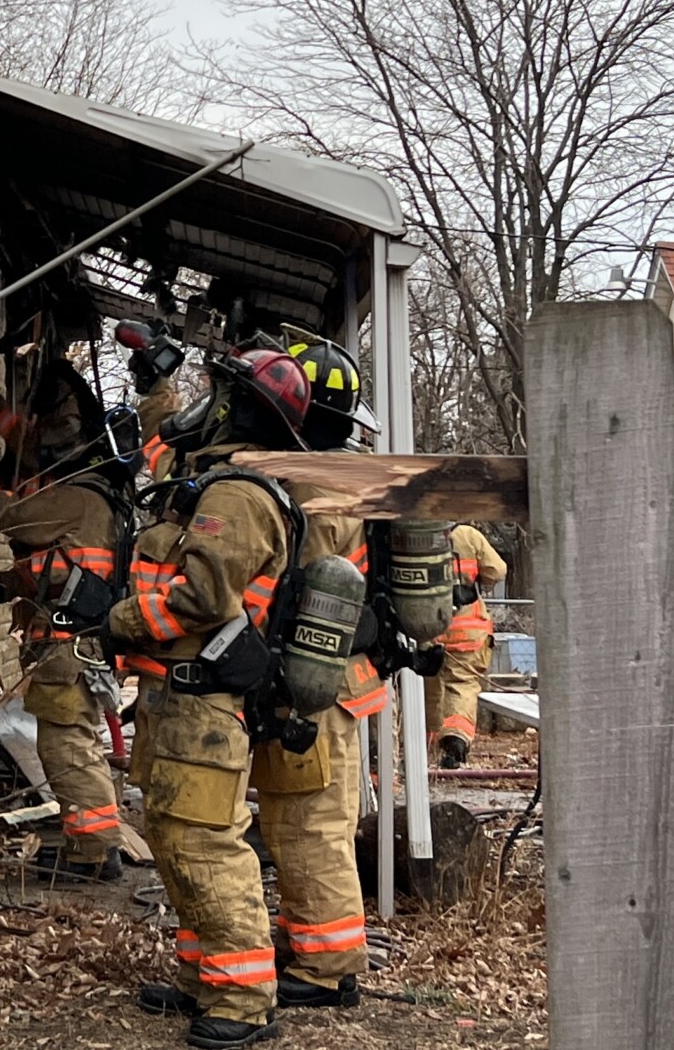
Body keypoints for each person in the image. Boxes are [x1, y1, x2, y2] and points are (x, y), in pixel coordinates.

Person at [98, 345, 318, 1048]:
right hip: (173, 701)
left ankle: (244, 998)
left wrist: (116, 620)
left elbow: (202, 598)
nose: (202, 398)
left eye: (215, 390)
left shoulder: (239, 495)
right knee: (170, 840)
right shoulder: (208, 482)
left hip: (205, 707)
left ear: (237, 406)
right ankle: (203, 980)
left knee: (205, 847)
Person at [243, 334, 383, 1011]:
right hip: (331, 679)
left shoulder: (311, 482)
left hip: (317, 687)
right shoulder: (343, 472)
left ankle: (327, 969)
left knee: (309, 828)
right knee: (299, 822)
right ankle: (314, 948)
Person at [0, 362, 130, 881]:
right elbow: (52, 567)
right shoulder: (97, 493)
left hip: (65, 646)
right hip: (77, 642)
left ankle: (96, 853)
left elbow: (12, 516)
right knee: (74, 742)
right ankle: (88, 846)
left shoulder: (77, 495)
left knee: (65, 744)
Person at [435, 522, 510, 767]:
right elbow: (497, 571)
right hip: (467, 630)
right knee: (463, 684)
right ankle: (455, 739)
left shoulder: (418, 535)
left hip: (429, 630)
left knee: (431, 689)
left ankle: (424, 750)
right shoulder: (468, 535)